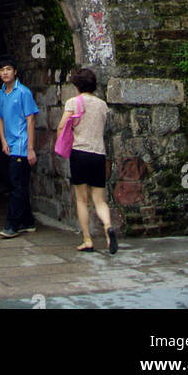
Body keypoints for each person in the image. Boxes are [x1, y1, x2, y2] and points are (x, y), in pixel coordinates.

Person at [57, 67, 116, 254]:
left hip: (79, 154)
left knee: (82, 200)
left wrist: (63, 141)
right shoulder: (102, 105)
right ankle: (108, 227)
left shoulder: (73, 102)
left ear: (77, 85)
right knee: (100, 199)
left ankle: (87, 240)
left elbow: (62, 127)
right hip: (98, 154)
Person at [0, 54, 38, 238]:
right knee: (19, 184)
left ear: (15, 72)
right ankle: (28, 221)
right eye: (2, 70)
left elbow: (31, 119)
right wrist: (3, 140)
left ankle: (13, 224)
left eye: (8, 69)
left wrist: (30, 148)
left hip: (21, 146)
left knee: (16, 186)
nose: (5, 73)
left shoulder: (23, 92)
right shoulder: (0, 93)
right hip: (10, 145)